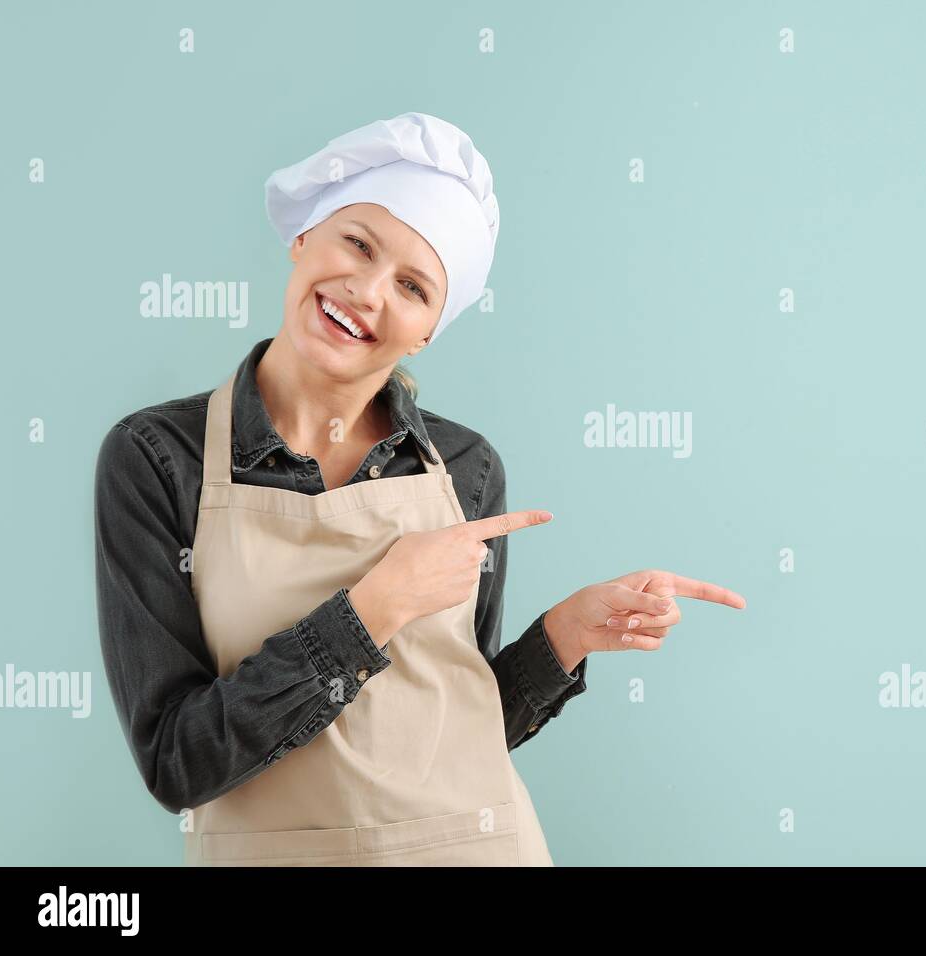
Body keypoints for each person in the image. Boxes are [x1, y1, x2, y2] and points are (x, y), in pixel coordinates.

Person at [93, 112, 746, 866]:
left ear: (430, 327)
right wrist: (373, 609)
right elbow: (179, 762)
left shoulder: (466, 468)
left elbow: (456, 737)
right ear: (305, 235)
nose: (367, 292)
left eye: (412, 285)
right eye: (357, 243)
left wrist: (563, 638)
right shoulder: (157, 458)